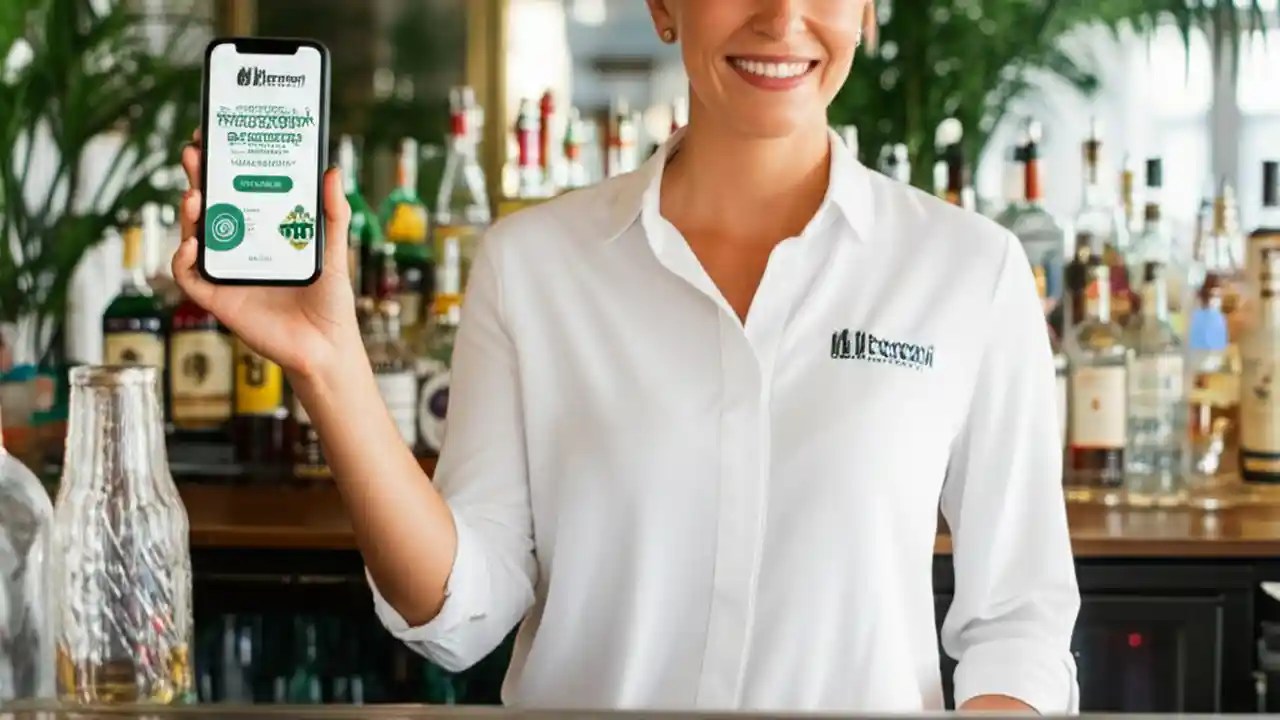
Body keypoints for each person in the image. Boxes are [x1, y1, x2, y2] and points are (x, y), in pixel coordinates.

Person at [173, 0, 1079, 712]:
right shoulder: (532, 264)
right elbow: (460, 612)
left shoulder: (968, 271)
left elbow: (1018, 620)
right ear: (662, 5)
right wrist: (329, 366)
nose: (782, 17)